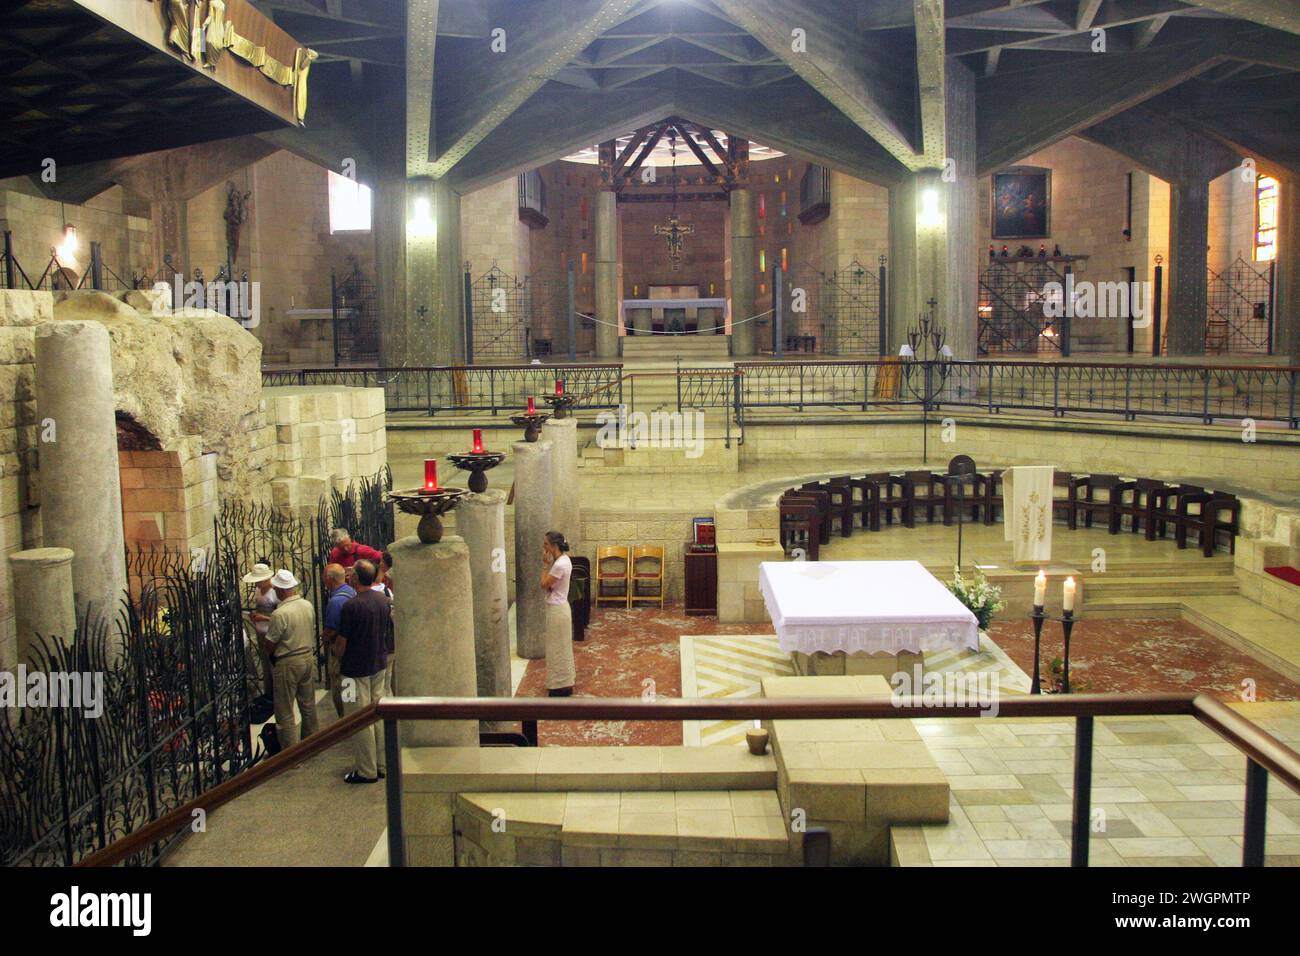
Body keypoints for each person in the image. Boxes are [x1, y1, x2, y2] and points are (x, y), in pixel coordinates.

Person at [334, 559, 391, 784]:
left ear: (356, 578)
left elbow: (342, 642)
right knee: (378, 715)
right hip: (378, 665)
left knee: (357, 719)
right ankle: (382, 764)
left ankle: (366, 770)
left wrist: (338, 657)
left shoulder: (352, 606)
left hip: (353, 672)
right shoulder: (383, 601)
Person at [261, 569, 318, 748]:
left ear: (280, 590)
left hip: (288, 661)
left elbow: (271, 641)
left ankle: (291, 754)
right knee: (308, 704)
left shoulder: (280, 613)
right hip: (308, 658)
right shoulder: (307, 605)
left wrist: (268, 652)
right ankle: (312, 744)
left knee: (285, 710)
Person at [539, 531, 576, 697]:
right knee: (561, 648)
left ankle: (558, 686)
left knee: (556, 649)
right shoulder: (564, 560)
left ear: (554, 546)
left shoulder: (559, 564)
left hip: (557, 610)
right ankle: (565, 683)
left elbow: (544, 584)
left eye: (546, 544)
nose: (544, 547)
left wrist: (545, 565)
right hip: (561, 608)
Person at [321, 563, 356, 718]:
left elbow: (332, 628)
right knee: (350, 684)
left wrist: (325, 637)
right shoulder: (352, 591)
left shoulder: (336, 602)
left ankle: (345, 717)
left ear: (330, 579)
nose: (323, 582)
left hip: (340, 650)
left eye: (324, 578)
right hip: (352, 649)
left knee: (339, 685)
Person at [241, 561, 278, 703]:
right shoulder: (258, 591)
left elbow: (279, 614)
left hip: (271, 631)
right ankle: (269, 692)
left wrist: (264, 617)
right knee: (264, 662)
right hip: (260, 630)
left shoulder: (274, 592)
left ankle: (276, 692)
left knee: (273, 662)